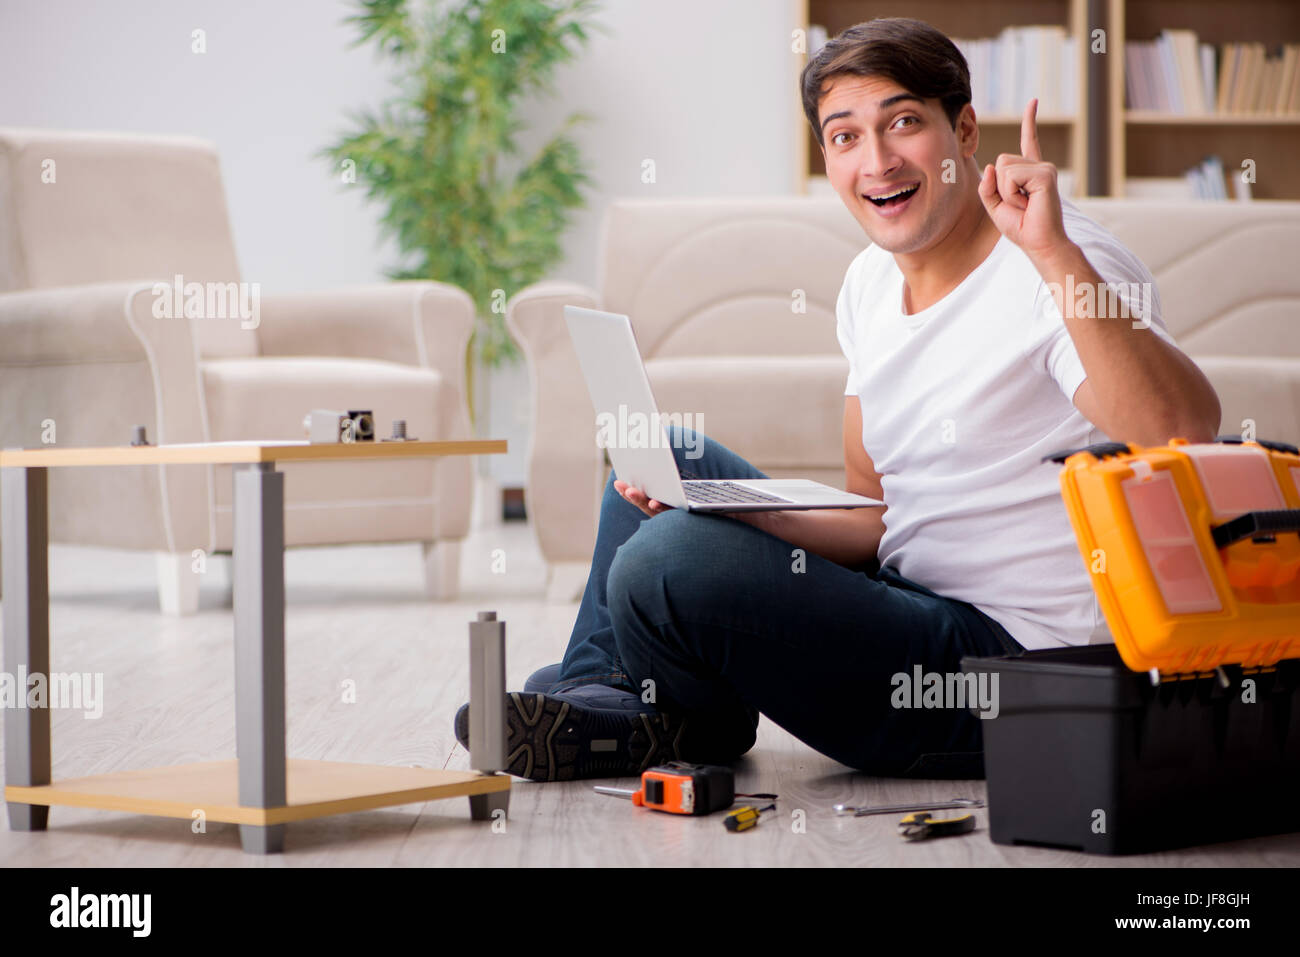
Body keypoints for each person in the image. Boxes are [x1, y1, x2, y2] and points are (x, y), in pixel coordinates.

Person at [454, 17, 1220, 782]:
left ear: (965, 131)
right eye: (846, 136)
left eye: (904, 123)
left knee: (665, 559)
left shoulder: (1055, 259)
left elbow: (1183, 426)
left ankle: (673, 714)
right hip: (906, 600)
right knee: (662, 457)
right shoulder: (870, 282)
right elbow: (875, 515)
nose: (878, 160)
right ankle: (613, 694)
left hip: (1008, 670)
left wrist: (1054, 254)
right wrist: (733, 508)